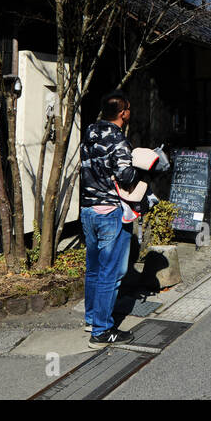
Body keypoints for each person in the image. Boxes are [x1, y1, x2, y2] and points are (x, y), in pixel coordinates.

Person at [79, 91, 140, 346]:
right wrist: (145, 167)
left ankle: (92, 318)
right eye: (128, 110)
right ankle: (102, 331)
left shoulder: (89, 133)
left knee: (93, 268)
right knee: (111, 273)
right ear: (123, 113)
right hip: (109, 211)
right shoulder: (118, 140)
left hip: (87, 210)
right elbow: (126, 176)